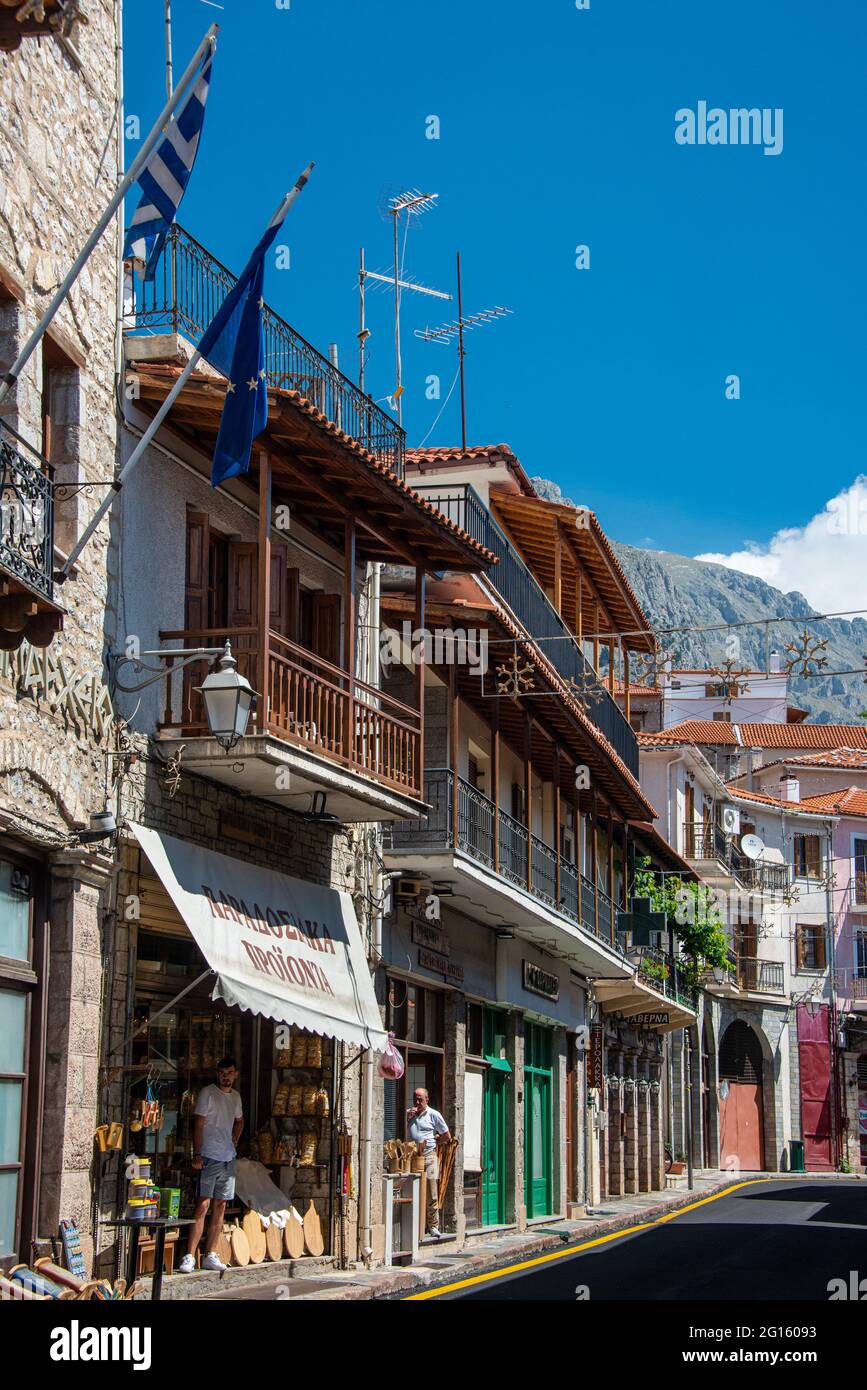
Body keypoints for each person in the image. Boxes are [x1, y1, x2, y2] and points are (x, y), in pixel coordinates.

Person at [178, 1057, 244, 1274]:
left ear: (235, 1074)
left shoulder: (236, 1097)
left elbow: (239, 1120)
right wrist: (197, 1153)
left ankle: (211, 1254)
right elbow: (199, 1122)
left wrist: (234, 1140)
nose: (226, 1076)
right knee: (203, 1205)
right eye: (223, 1072)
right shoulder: (208, 1093)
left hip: (228, 1157)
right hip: (209, 1155)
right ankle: (189, 1255)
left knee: (221, 1206)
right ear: (218, 1074)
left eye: (230, 1072)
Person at [406, 1087, 450, 1239]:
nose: (417, 1102)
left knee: (431, 1191)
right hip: (412, 1156)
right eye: (415, 1099)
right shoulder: (409, 1114)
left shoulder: (434, 1115)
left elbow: (446, 1136)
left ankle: (433, 1226)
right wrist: (408, 1118)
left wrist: (434, 1142)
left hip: (429, 1156)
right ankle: (414, 1224)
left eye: (420, 1099)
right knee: (412, 1191)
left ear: (427, 1100)